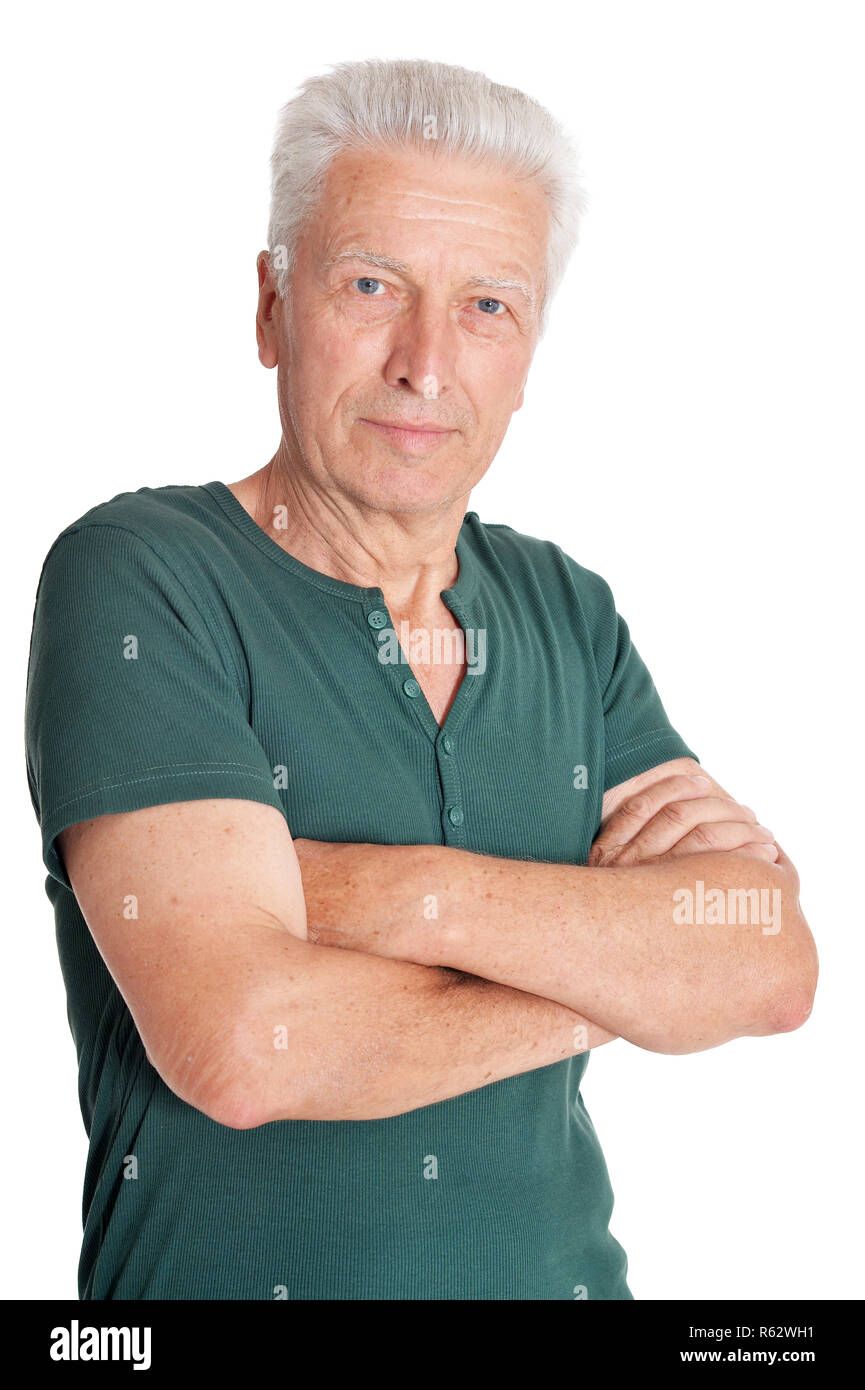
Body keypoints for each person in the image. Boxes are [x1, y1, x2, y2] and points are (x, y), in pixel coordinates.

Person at [24, 58, 817, 1301]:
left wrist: (354, 893)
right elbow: (244, 1045)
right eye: (371, 284)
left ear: (531, 346)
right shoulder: (143, 579)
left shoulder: (566, 611)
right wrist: (611, 978)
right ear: (272, 306)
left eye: (489, 305)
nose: (426, 362)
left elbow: (764, 962)